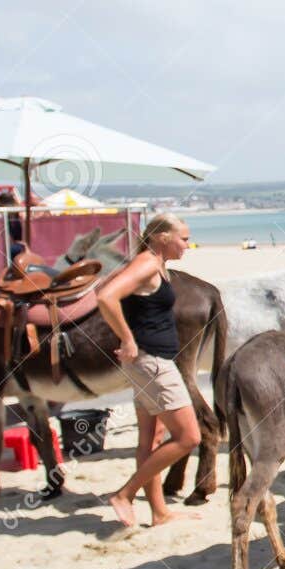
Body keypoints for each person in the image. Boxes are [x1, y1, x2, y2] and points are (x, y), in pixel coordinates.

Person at [97, 213, 202, 531]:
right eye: (183, 239)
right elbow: (106, 296)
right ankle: (124, 494)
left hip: (149, 362)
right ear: (162, 237)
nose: (187, 245)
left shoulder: (156, 263)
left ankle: (159, 512)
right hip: (152, 363)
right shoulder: (146, 264)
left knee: (150, 440)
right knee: (189, 437)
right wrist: (127, 339)